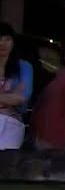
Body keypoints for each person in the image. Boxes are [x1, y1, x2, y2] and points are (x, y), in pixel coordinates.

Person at [0, 22, 34, 150]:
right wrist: (8, 99)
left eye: (7, 39)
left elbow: (21, 97)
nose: (2, 43)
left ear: (13, 43)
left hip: (11, 123)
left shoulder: (24, 67)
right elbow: (14, 97)